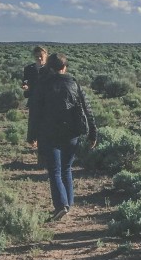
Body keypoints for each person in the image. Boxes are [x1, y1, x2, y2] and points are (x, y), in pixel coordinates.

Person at [26, 53, 98, 221]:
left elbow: (34, 113)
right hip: (71, 133)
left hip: (48, 133)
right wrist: (93, 132)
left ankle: (61, 205)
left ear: (49, 68)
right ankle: (68, 204)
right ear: (64, 68)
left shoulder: (42, 85)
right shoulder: (73, 83)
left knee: (55, 171)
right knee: (66, 169)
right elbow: (88, 110)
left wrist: (32, 135)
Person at [22, 46, 50, 166]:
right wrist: (26, 86)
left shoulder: (50, 69)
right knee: (35, 126)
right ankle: (40, 156)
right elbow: (25, 81)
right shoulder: (29, 68)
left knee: (46, 129)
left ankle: (45, 159)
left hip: (48, 102)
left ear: (46, 55)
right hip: (34, 101)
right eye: (36, 56)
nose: (39, 58)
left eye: (41, 56)